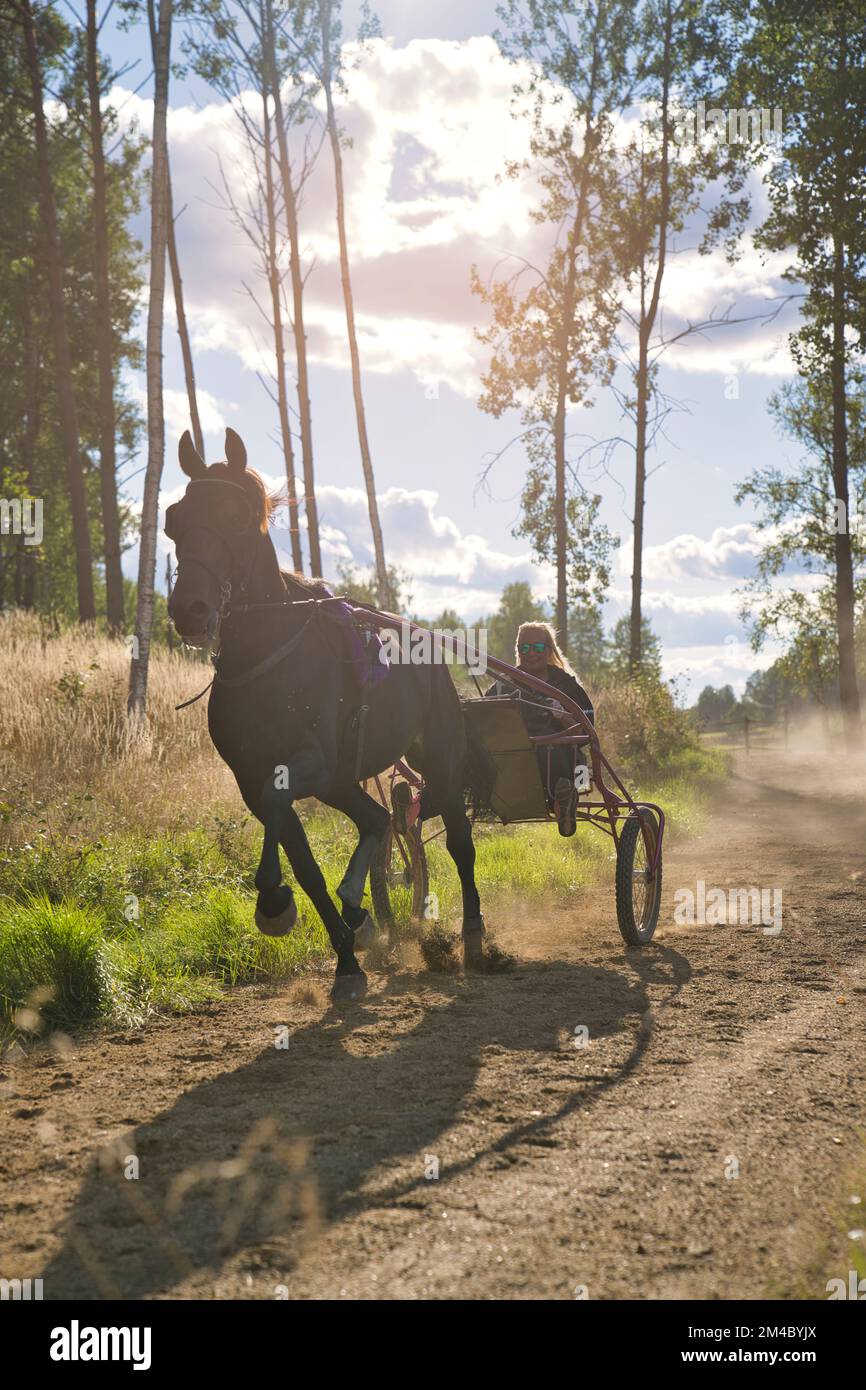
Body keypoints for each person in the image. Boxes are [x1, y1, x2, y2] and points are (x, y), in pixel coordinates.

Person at [484, 621, 594, 837]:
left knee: (551, 749)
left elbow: (586, 735)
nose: (531, 653)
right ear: (518, 651)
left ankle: (563, 802)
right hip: (513, 764)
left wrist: (561, 715)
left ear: (549, 650)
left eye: (538, 648)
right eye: (524, 648)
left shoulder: (566, 686)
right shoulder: (503, 685)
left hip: (563, 761)